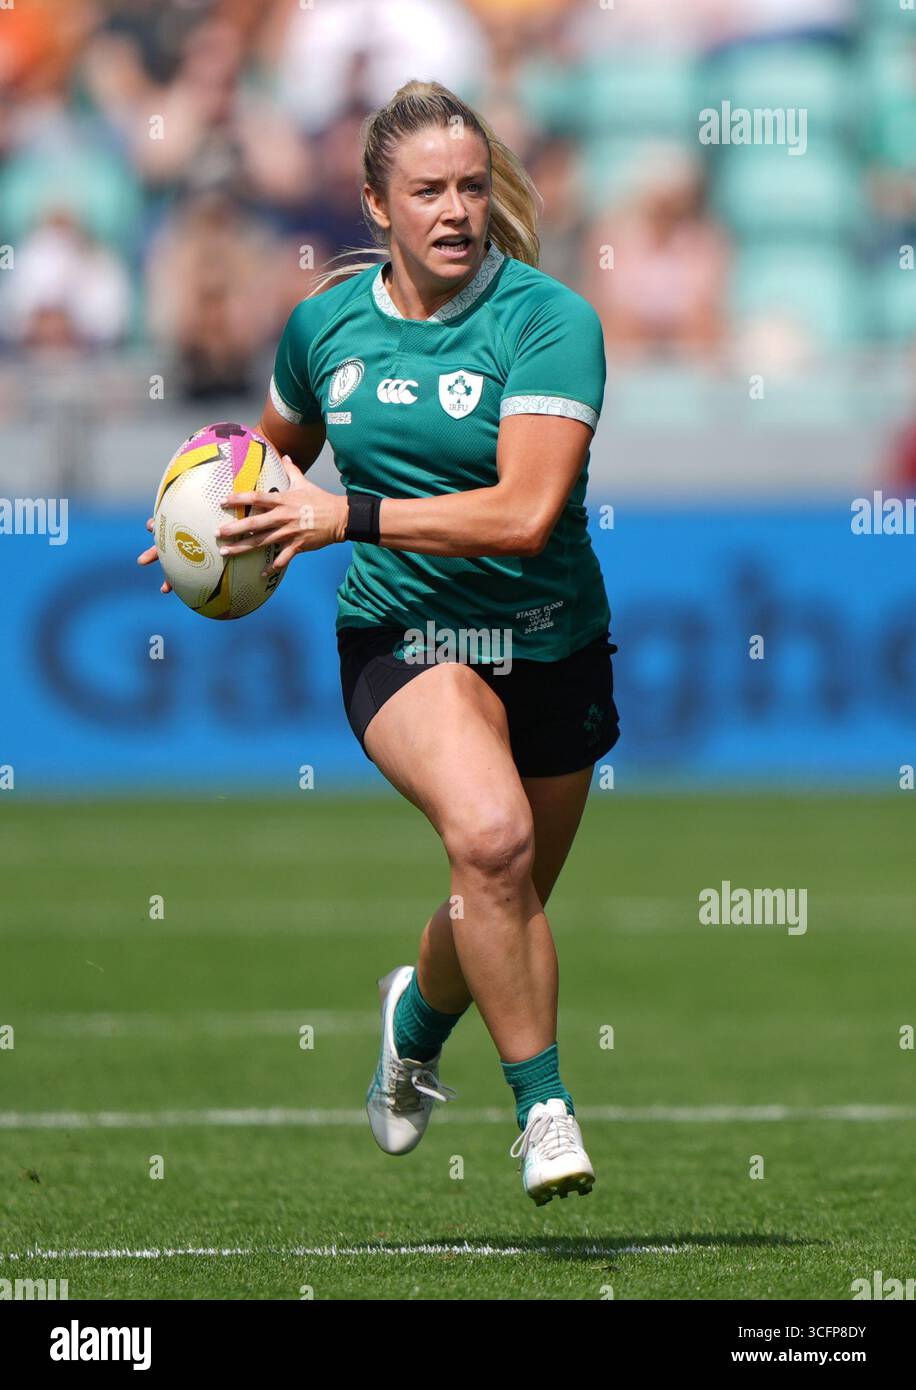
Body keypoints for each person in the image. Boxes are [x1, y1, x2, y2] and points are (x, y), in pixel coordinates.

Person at [138, 79, 620, 1207]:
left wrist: (339, 513)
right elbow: (268, 465)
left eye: (468, 185)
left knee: (497, 891)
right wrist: (209, 532)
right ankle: (543, 1110)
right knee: (492, 844)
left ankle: (412, 1026)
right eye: (426, 191)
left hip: (553, 641)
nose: (455, 210)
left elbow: (520, 514)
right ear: (374, 203)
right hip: (405, 633)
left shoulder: (550, 321)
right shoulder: (323, 327)